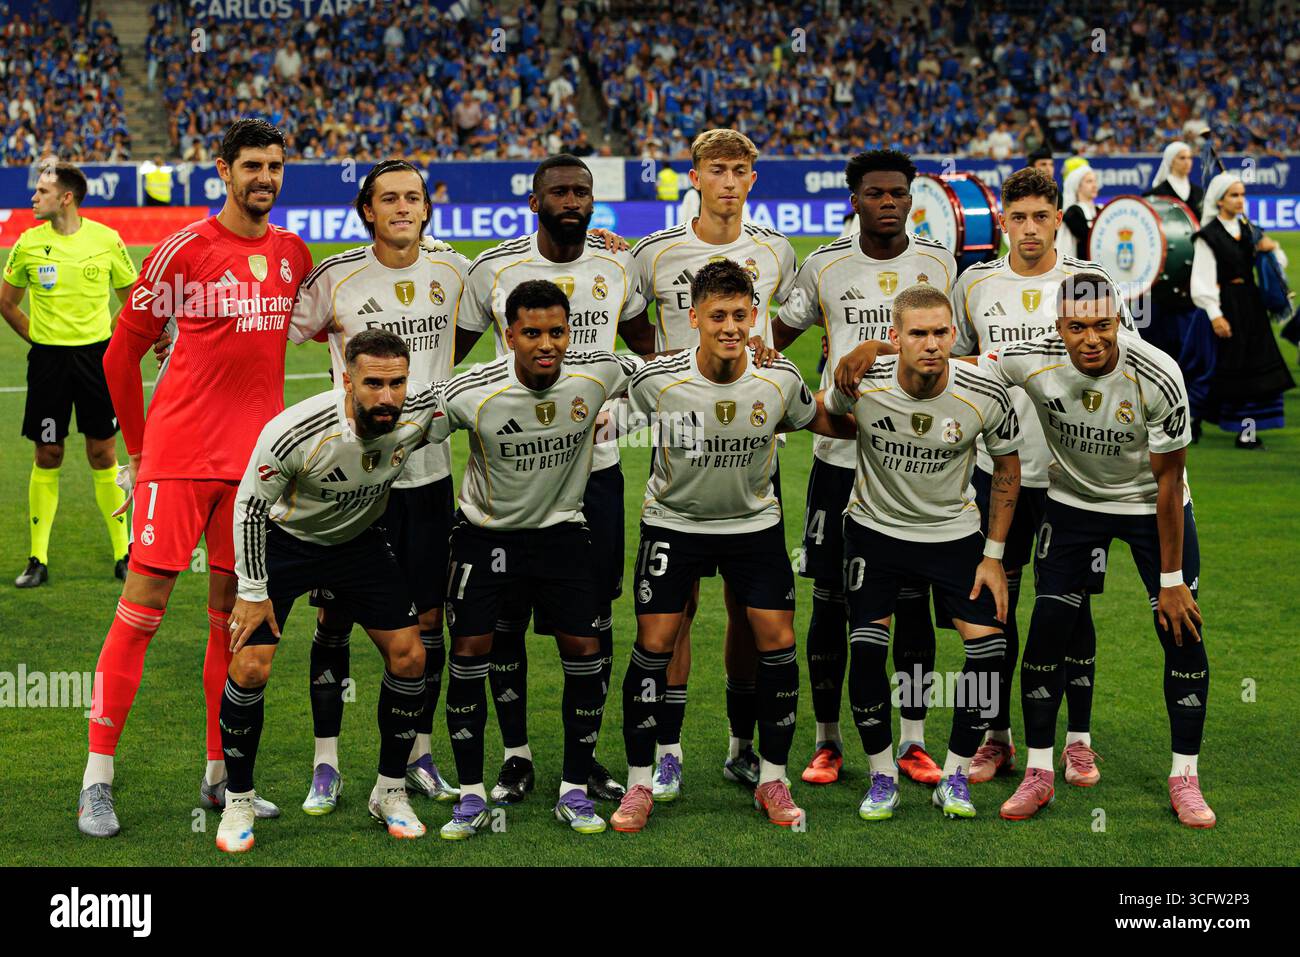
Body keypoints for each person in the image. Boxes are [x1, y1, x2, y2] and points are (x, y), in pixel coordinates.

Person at [76, 119, 312, 838]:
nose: (264, 177)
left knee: (233, 619)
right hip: (177, 463)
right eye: (250, 166)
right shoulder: (185, 250)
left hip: (254, 474)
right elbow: (122, 355)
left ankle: (220, 774)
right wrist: (138, 455)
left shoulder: (294, 253)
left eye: (274, 165)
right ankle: (97, 780)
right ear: (222, 170)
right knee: (142, 608)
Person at [979, 273, 1214, 828]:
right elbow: (957, 367)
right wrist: (879, 349)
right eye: (1077, 327)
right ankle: (1039, 772)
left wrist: (1172, 581)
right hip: (1073, 503)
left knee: (1181, 630)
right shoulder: (1029, 358)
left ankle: (1185, 776)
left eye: (1103, 325)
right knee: (1047, 631)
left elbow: (1167, 485)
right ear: (1057, 327)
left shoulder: (1158, 373)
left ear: (1120, 321)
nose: (1092, 339)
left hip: (1148, 506)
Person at [456, 154, 654, 805]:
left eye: (582, 191)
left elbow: (648, 356)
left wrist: (621, 416)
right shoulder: (494, 268)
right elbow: (451, 358)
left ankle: (586, 758)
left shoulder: (617, 264)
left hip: (595, 473)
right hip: (512, 476)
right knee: (504, 619)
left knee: (593, 621)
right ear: (535, 201)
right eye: (560, 191)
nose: (573, 199)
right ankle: (515, 756)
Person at [610, 259, 830, 832]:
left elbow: (821, 420)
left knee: (777, 637)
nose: (730, 326)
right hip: (673, 523)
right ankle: (641, 782)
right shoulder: (657, 381)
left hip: (752, 526)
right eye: (717, 316)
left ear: (755, 315)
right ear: (694, 317)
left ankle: (773, 778)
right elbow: (601, 422)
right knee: (654, 641)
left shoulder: (779, 379)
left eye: (739, 314)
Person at [764, 149, 955, 789]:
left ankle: (914, 740)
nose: (888, 203)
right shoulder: (823, 267)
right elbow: (772, 343)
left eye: (898, 193)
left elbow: (955, 344)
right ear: (854, 199)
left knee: (912, 599)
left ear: (911, 198)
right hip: (840, 455)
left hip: (912, 459)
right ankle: (826, 742)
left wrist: (876, 344)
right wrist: (788, 402)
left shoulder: (937, 263)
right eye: (875, 193)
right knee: (830, 597)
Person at [287, 160, 467, 813]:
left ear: (426, 207)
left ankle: (417, 754)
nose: (401, 207)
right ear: (368, 210)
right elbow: (268, 332)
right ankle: (325, 762)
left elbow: (499, 307)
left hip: (429, 478)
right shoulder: (336, 278)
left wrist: (604, 244)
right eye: (388, 198)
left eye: (411, 197)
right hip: (352, 485)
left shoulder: (452, 271)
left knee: (426, 622)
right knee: (335, 617)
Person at [433, 280, 643, 840]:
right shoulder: (471, 390)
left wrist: (757, 353)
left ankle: (574, 789)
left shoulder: (597, 373)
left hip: (562, 535)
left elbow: (664, 370)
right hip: (485, 538)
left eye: (556, 331)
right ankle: (472, 795)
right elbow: (408, 421)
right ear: (509, 336)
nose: (546, 343)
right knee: (472, 651)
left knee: (585, 649)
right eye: (532, 333)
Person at [219, 329, 439, 852]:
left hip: (360, 543)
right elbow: (250, 505)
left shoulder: (419, 414)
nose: (387, 397)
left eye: (397, 383)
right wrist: (252, 592)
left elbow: (475, 394)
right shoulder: (296, 431)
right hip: (288, 542)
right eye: (373, 384)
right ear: (347, 380)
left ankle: (389, 791)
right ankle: (237, 801)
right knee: (250, 667)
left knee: (410, 658)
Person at [630, 129, 799, 798]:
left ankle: (740, 744)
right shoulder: (655, 252)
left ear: (752, 178)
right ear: (694, 175)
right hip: (679, 440)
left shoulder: (775, 251)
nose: (728, 180)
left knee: (747, 607)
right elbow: (628, 317)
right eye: (716, 169)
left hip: (752, 445)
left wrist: (764, 373)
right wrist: (664, 370)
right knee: (676, 608)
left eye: (739, 169)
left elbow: (782, 326)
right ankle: (667, 750)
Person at [829, 283, 1021, 821]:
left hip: (954, 536)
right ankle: (882, 773)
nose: (931, 344)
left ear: (953, 334)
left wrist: (994, 554)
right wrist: (867, 351)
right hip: (874, 531)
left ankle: (955, 774)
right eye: (918, 333)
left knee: (989, 651)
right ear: (896, 337)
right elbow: (818, 413)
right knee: (867, 648)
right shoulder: (861, 380)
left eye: (940, 332)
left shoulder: (984, 393)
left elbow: (1008, 468)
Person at [1, 161, 137, 588]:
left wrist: (110, 345)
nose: (33, 197)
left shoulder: (106, 240)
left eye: (41, 191)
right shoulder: (26, 243)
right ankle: (37, 558)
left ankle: (124, 553)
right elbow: (7, 302)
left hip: (96, 362)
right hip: (48, 364)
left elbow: (131, 299)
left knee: (103, 454)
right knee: (48, 454)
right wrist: (38, 338)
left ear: (66, 198)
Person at [1190, 172, 1295, 449]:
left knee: (1254, 373)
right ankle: (1192, 420)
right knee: (1215, 370)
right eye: (1233, 195)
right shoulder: (1207, 236)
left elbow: (1278, 260)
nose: (1240, 200)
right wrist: (1215, 315)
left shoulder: (1249, 230)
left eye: (1242, 195)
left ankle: (1246, 433)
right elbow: (1201, 279)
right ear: (1220, 200)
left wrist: (1270, 248)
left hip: (1251, 306)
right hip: (1225, 305)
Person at [1146, 141, 1204, 215]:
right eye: (1182, 158)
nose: (1187, 162)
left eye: (1189, 158)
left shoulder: (1199, 192)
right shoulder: (1157, 194)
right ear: (1171, 161)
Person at [1057, 164, 1098, 261]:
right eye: (1089, 181)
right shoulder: (1073, 213)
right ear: (1078, 186)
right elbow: (1090, 238)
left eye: (1095, 181)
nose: (1094, 185)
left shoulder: (1098, 209)